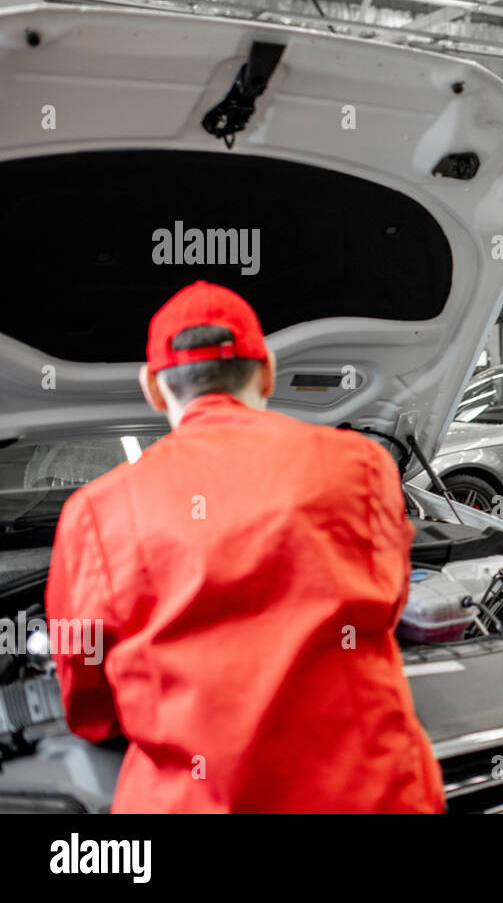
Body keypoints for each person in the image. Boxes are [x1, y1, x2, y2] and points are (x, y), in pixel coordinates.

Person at [44, 281, 444, 813]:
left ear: (154, 389)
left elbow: (86, 693)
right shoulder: (362, 464)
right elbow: (386, 603)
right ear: (268, 372)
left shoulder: (95, 512)